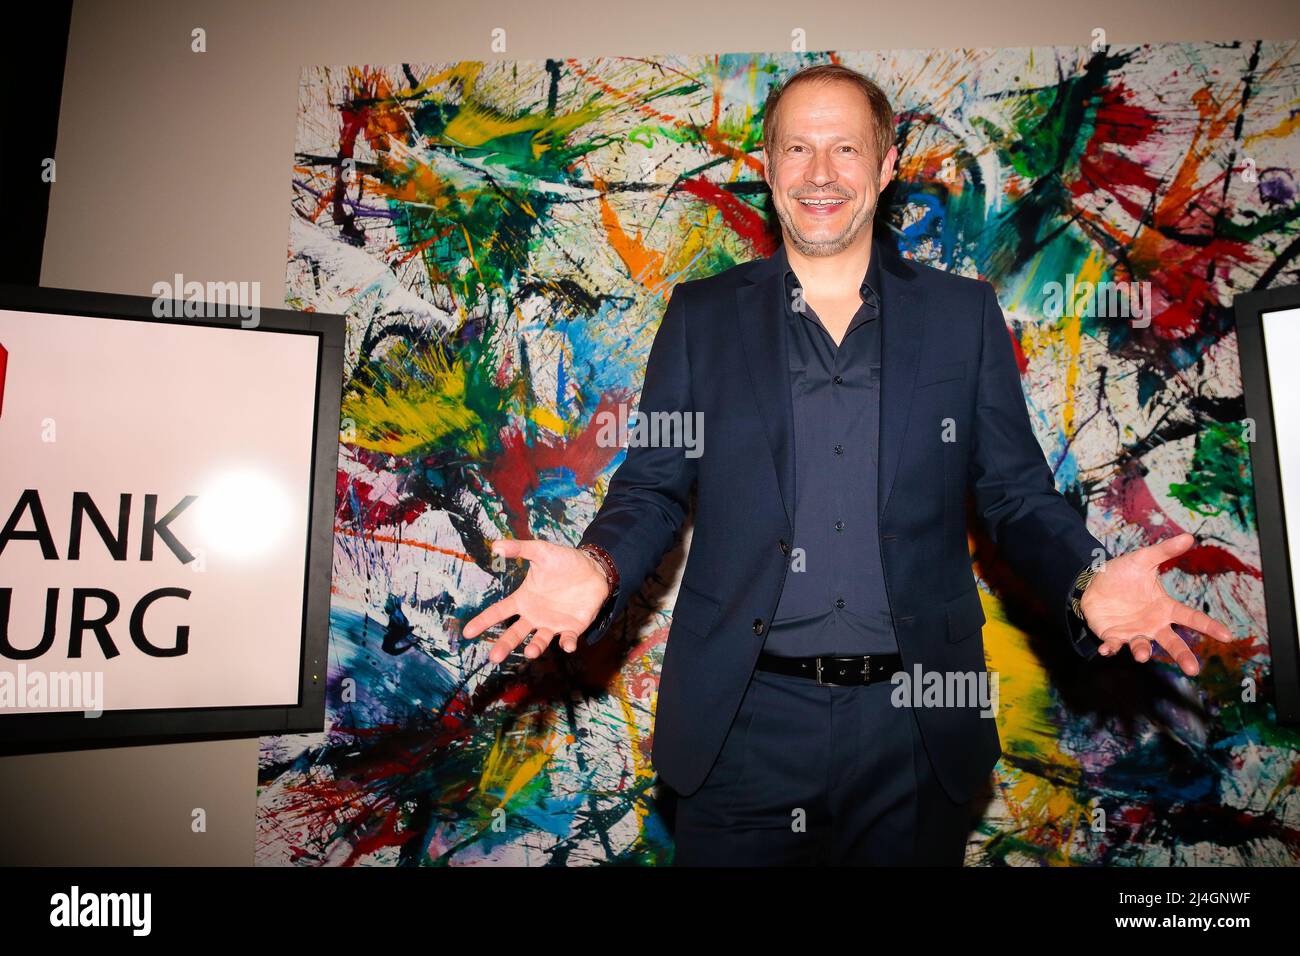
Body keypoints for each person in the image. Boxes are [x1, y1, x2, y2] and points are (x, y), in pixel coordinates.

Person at [461, 63, 1235, 865]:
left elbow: (1013, 496)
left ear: (888, 164)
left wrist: (1085, 577)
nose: (821, 174)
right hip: (740, 729)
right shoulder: (701, 316)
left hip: (914, 731)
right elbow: (654, 488)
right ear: (766, 168)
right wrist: (598, 563)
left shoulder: (961, 317)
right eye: (797, 148)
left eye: (846, 149)